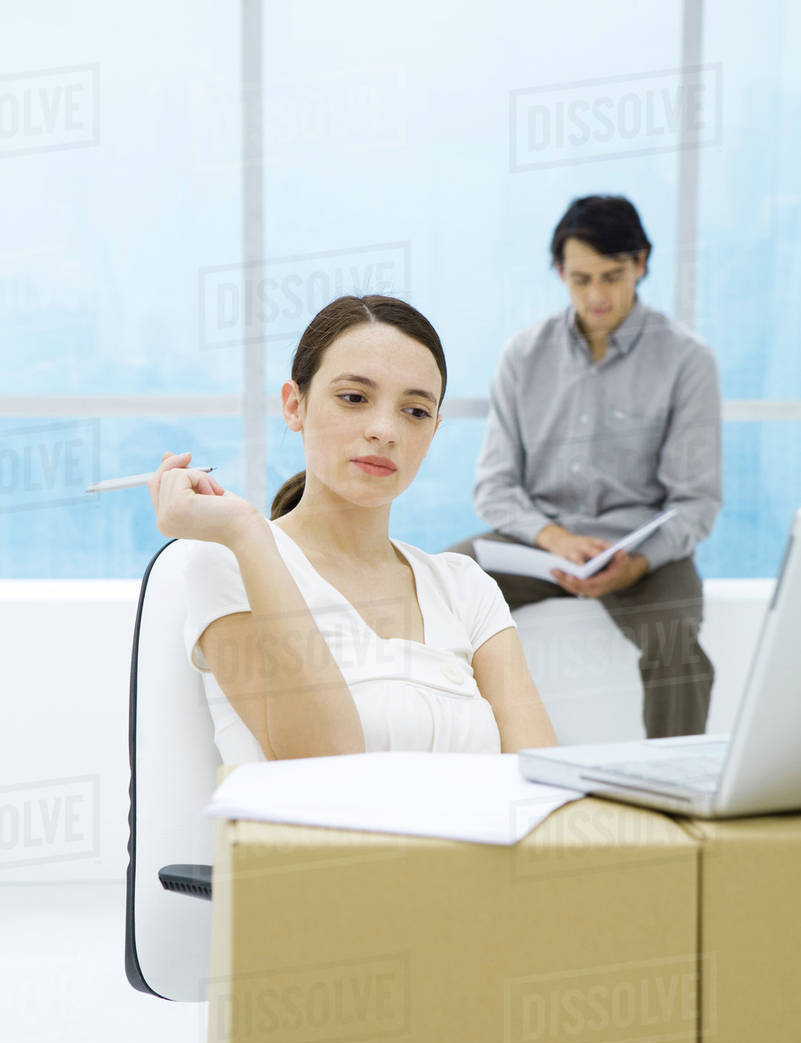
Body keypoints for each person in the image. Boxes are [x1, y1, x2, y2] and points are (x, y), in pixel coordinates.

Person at [148, 294, 557, 762]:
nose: (385, 430)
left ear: (435, 430)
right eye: (354, 398)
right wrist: (247, 532)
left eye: (416, 411)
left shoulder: (465, 588)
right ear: (293, 406)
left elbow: (541, 781)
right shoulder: (231, 561)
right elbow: (322, 763)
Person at [447, 196, 722, 739]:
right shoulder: (523, 355)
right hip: (539, 546)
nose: (596, 296)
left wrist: (637, 562)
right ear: (559, 273)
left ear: (641, 263)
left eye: (612, 276)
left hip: (640, 555)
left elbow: (695, 502)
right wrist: (554, 538)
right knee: (436, 585)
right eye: (580, 279)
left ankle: (672, 793)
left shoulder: (688, 361)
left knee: (679, 648)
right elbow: (495, 486)